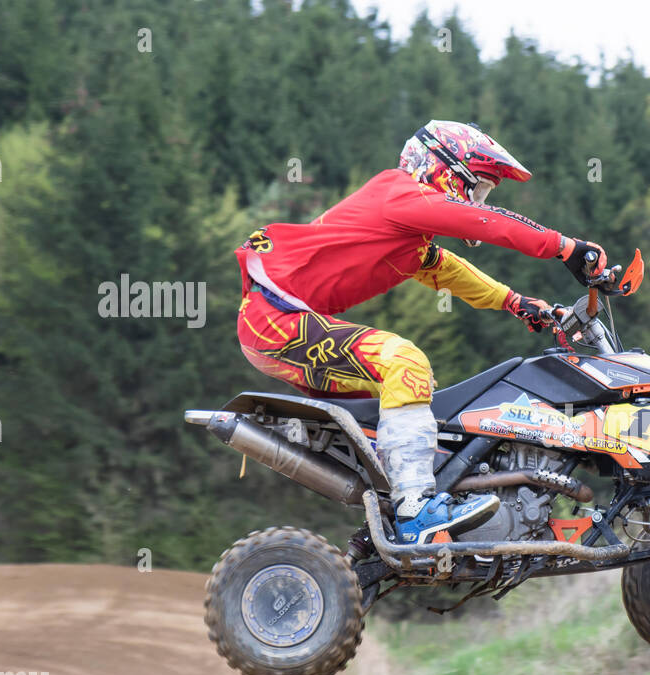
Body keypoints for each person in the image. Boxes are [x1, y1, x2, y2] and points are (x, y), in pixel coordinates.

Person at [232, 120, 607, 544]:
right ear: (442, 169)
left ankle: (399, 514)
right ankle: (415, 510)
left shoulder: (406, 235)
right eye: (476, 187)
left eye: (483, 193)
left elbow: (449, 270)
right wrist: (566, 247)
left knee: (414, 395)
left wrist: (516, 303)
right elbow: (482, 221)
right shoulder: (397, 193)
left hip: (280, 324)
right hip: (276, 319)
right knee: (404, 362)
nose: (476, 200)